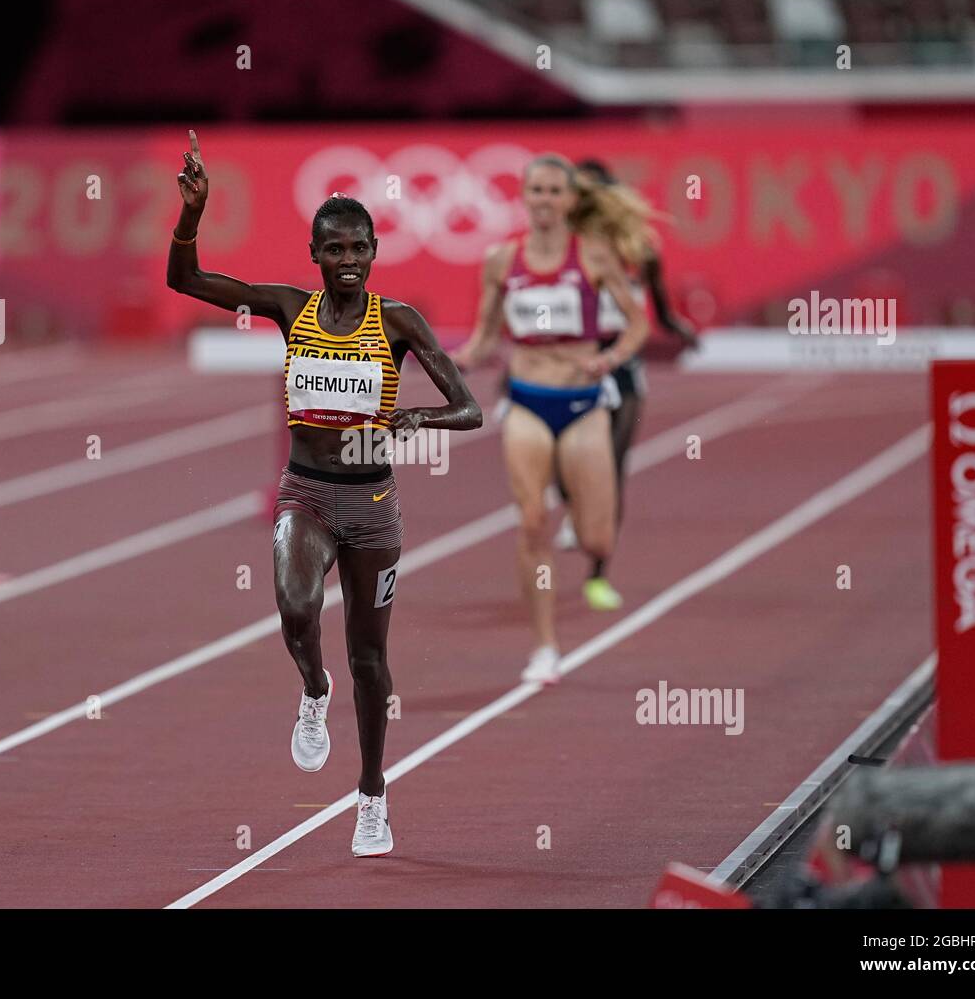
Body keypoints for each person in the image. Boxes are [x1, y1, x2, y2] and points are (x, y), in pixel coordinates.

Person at [167, 132, 481, 857]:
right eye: (334, 250)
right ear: (315, 255)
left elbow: (469, 406)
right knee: (297, 606)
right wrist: (193, 214)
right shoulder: (289, 308)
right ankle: (313, 690)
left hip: (373, 507)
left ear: (375, 252)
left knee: (370, 659)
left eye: (359, 250)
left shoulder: (396, 322)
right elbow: (187, 281)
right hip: (306, 491)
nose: (347, 262)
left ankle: (372, 794)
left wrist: (417, 418)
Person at [453, 153, 649, 684]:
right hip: (527, 402)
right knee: (532, 522)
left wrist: (610, 358)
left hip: (584, 405)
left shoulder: (594, 255)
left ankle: (587, 530)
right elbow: (486, 335)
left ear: (569, 201)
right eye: (535, 190)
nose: (543, 200)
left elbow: (637, 326)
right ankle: (544, 648)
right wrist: (461, 357)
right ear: (524, 197)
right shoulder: (501, 261)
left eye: (553, 192)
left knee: (596, 540)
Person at [552, 160, 699, 600]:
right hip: (577, 361)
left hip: (622, 363)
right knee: (562, 457)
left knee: (612, 469)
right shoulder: (567, 248)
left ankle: (598, 574)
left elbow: (660, 307)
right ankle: (576, 506)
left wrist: (678, 326)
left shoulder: (641, 250)